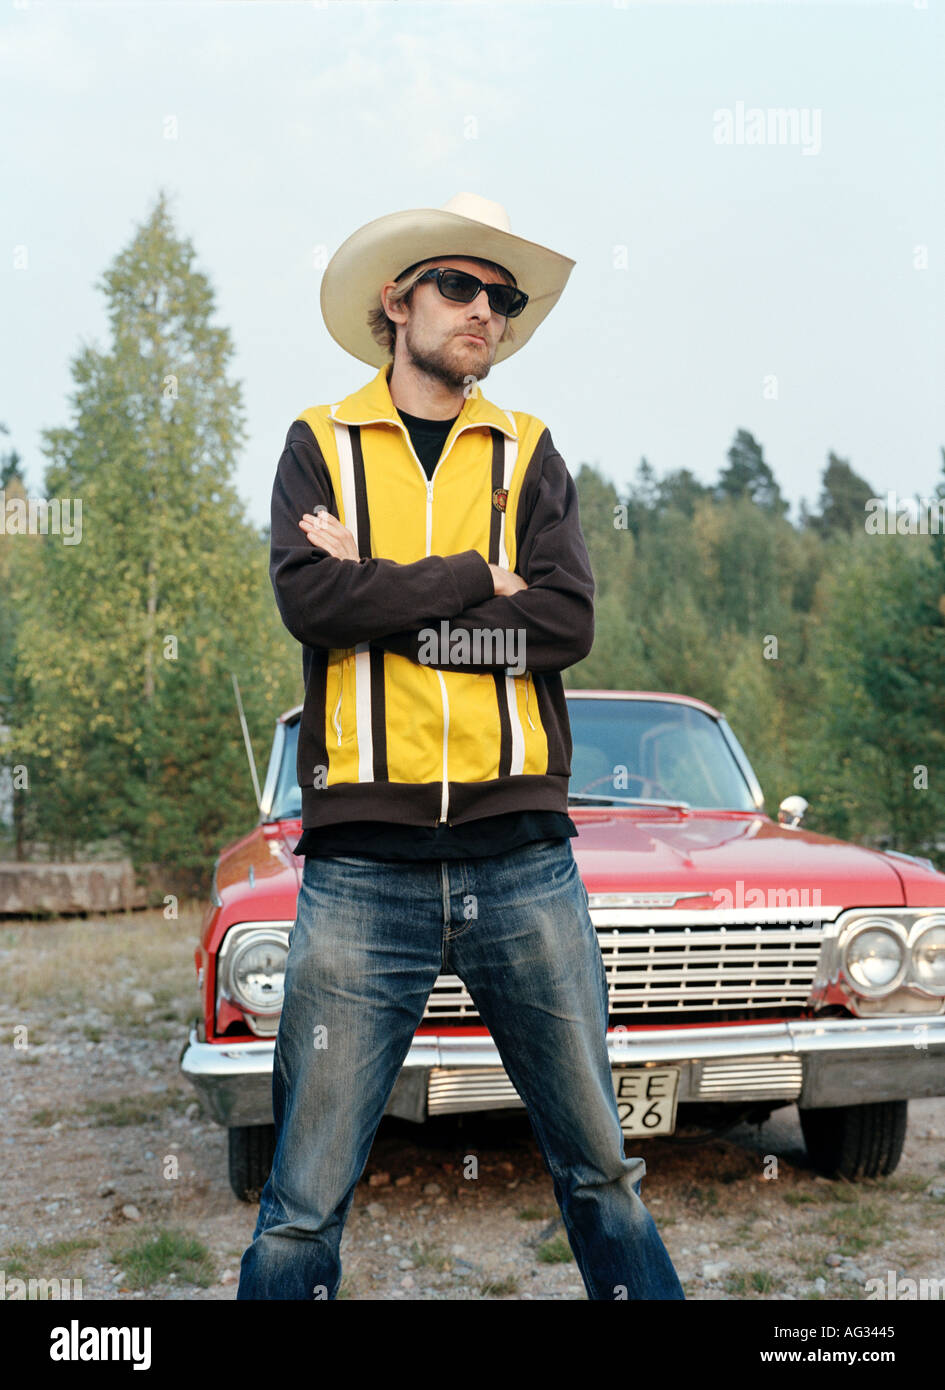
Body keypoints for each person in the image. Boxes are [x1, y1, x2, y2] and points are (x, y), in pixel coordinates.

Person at [237, 192, 685, 1301]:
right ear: (398, 302)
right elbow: (311, 604)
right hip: (359, 870)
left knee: (605, 1172)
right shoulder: (320, 444)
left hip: (521, 854)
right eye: (459, 285)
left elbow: (567, 624)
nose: (486, 308)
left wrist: (388, 602)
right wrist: (480, 582)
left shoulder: (528, 452)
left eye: (504, 296)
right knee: (301, 1205)